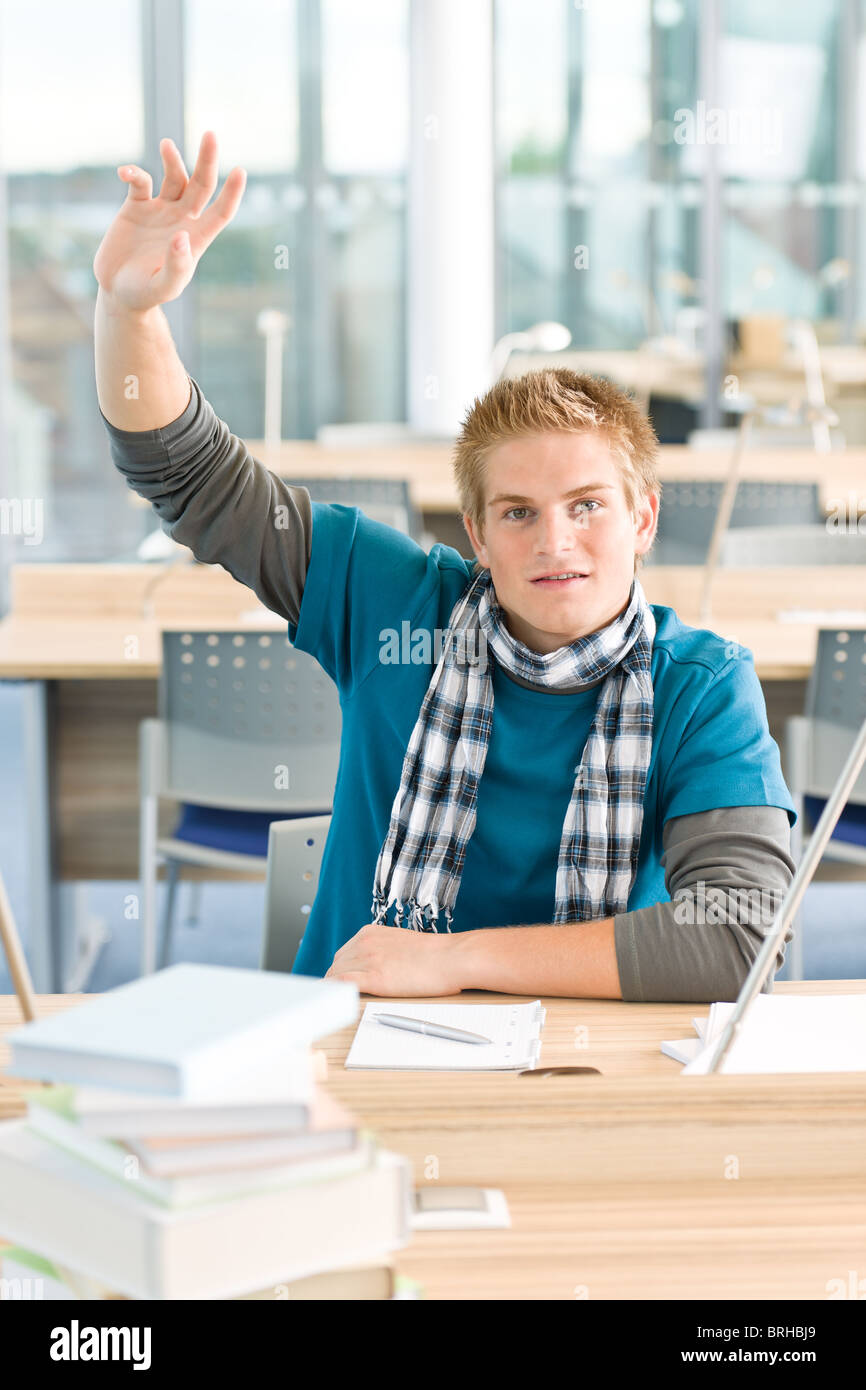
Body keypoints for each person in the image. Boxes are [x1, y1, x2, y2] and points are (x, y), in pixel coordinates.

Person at [94, 131, 796, 1002]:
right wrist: (129, 313)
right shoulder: (390, 599)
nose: (555, 541)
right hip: (355, 1037)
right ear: (475, 530)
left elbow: (735, 935)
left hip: (590, 1064)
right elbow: (187, 473)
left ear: (644, 516)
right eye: (518, 513)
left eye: (587, 506)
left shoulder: (703, 683)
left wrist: (453, 960)